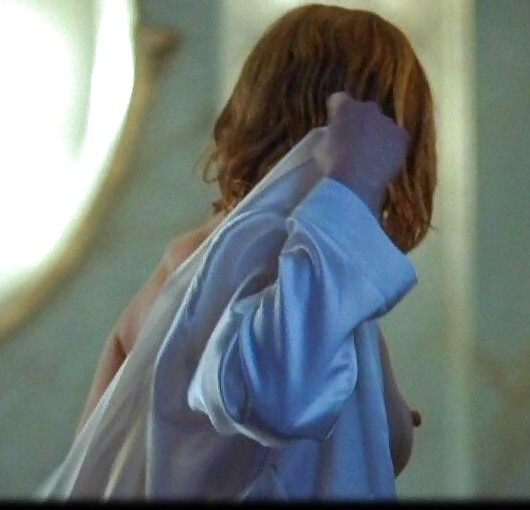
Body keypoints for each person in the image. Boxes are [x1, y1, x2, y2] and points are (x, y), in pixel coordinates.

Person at [38, 3, 436, 501]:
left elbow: (94, 454)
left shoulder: (196, 257)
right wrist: (352, 186)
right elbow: (280, 390)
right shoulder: (285, 256)